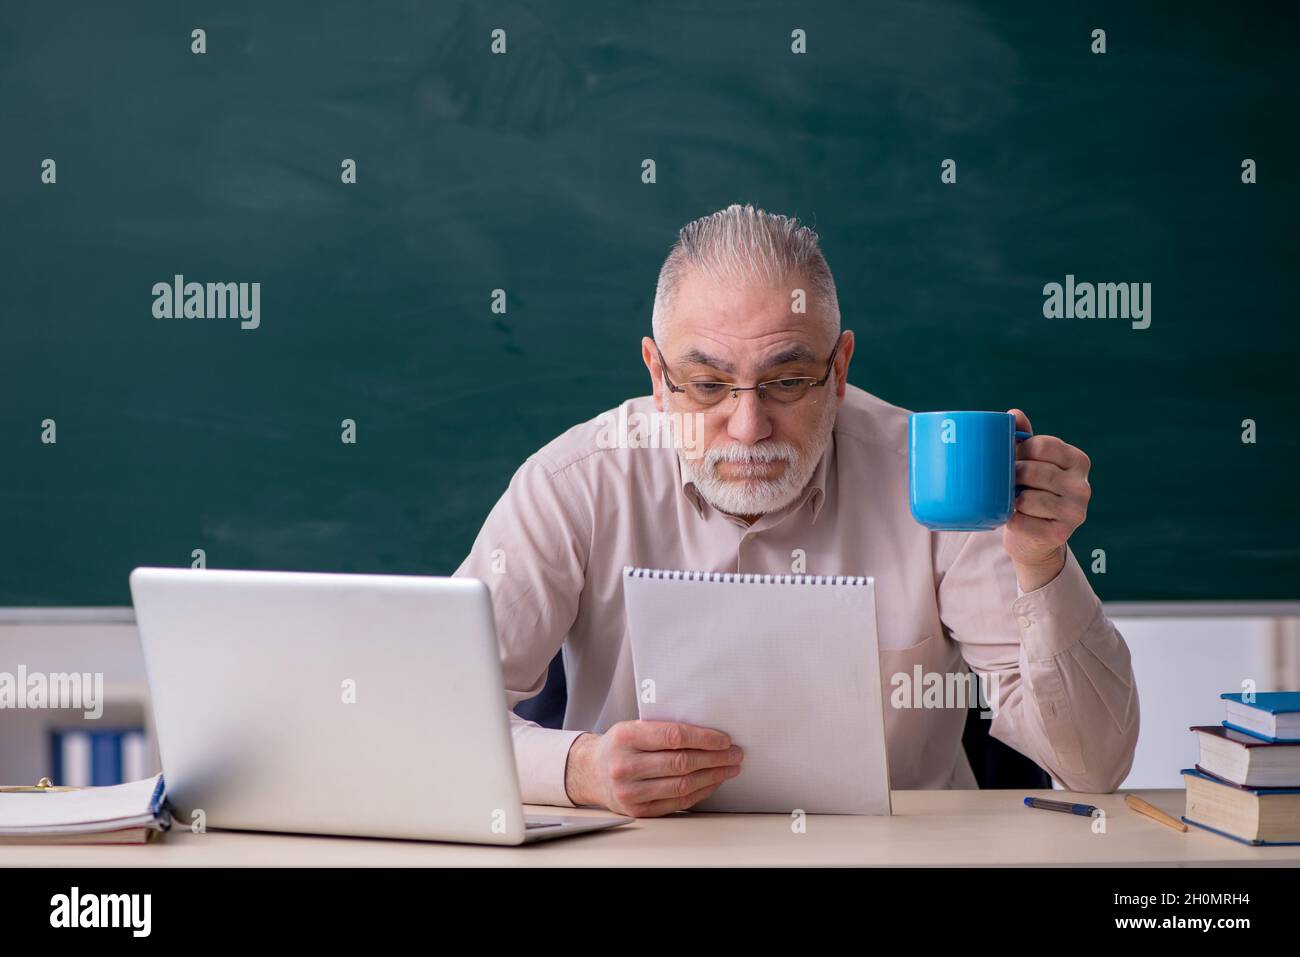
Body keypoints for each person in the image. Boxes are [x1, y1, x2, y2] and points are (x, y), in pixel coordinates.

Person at [454, 203, 1139, 818]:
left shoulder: (934, 479)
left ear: (839, 371)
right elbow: (428, 712)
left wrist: (1041, 561)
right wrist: (581, 770)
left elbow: (1093, 765)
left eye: (786, 381)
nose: (748, 427)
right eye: (708, 384)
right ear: (657, 377)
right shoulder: (576, 483)